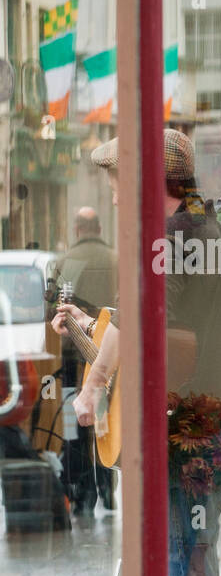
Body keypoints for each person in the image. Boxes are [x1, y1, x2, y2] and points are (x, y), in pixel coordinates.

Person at [55, 129, 221, 576]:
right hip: (214, 420)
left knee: (176, 564)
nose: (113, 194)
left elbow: (142, 320)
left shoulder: (169, 237)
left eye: (117, 180)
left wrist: (92, 387)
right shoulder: (210, 228)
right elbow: (164, 330)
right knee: (196, 562)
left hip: (181, 430)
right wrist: (93, 327)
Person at [55, 207, 118, 515]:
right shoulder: (116, 259)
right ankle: (107, 485)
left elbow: (58, 313)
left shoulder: (65, 263)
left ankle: (83, 490)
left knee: (75, 423)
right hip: (108, 355)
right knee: (105, 420)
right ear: (100, 228)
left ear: (77, 229)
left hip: (75, 360)